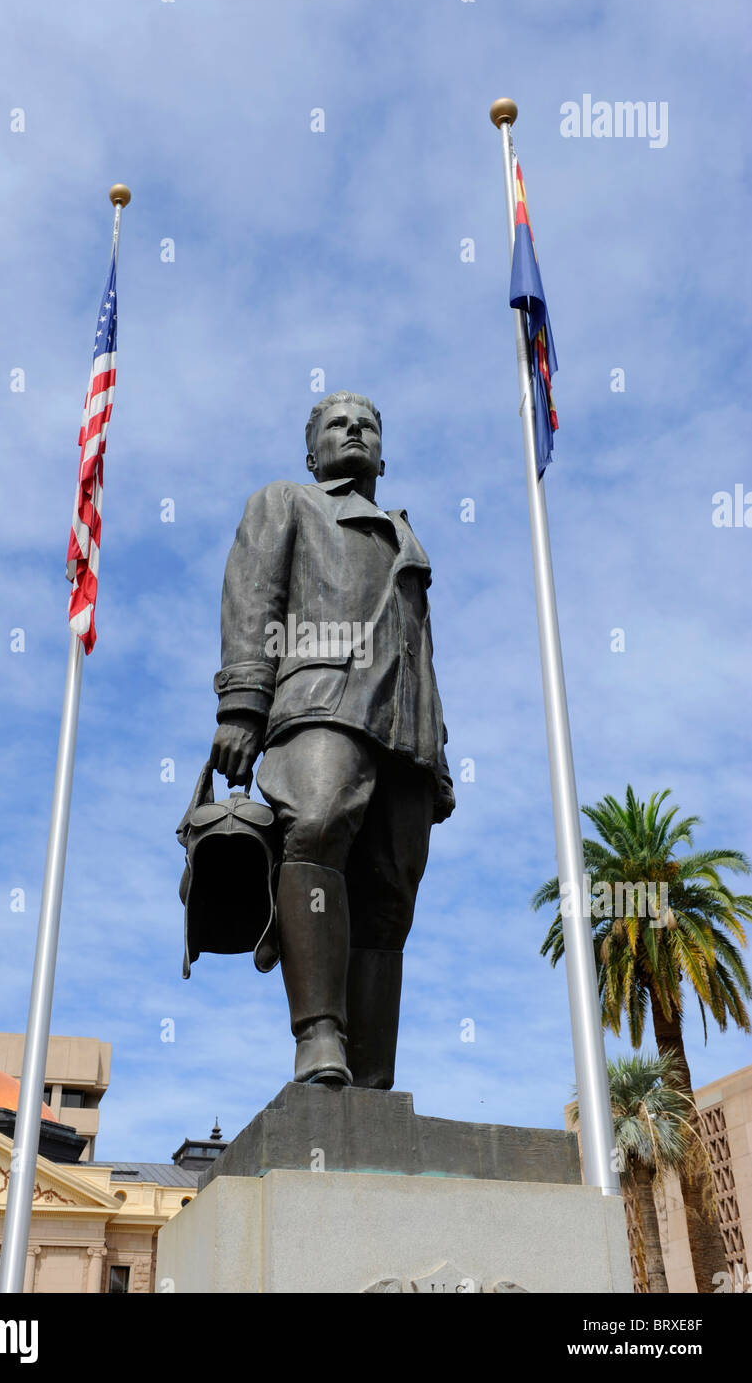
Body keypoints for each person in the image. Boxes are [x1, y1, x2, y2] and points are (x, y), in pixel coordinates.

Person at [210, 391, 454, 1087]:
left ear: (383, 449)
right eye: (336, 425)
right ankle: (318, 1035)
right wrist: (242, 704)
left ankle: (371, 1079)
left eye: (367, 425)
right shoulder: (286, 501)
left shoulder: (405, 536)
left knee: (390, 895)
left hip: (405, 730)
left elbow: (421, 652)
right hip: (320, 699)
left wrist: (438, 755)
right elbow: (251, 597)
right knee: (314, 828)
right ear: (311, 450)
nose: (354, 431)